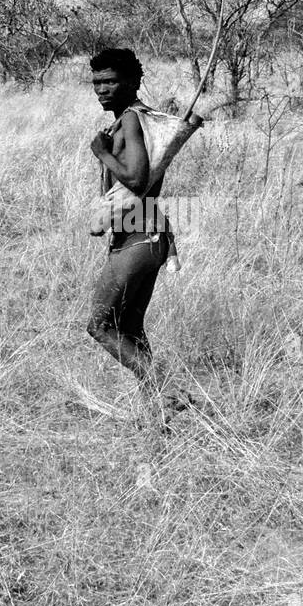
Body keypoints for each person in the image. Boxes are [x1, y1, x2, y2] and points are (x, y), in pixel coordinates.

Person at [84, 48, 189, 419]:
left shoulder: (130, 119)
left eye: (111, 81)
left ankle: (164, 387)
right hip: (148, 235)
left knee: (99, 326)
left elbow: (139, 178)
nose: (102, 90)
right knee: (129, 327)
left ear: (132, 82)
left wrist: (102, 153)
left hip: (138, 235)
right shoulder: (129, 119)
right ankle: (157, 412)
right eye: (97, 82)